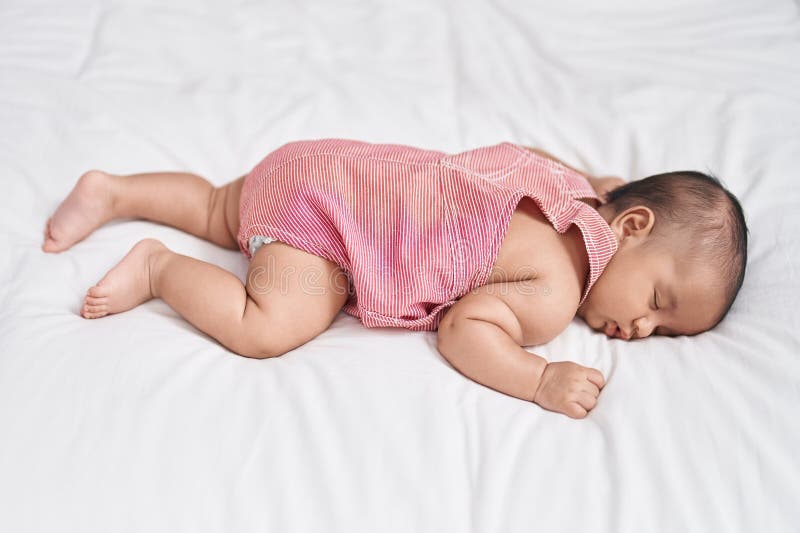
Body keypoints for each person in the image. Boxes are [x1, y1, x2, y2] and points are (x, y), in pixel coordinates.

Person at [41, 139, 748, 419]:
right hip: (333, 232)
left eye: (664, 330)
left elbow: (535, 154)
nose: (644, 328)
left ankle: (116, 189)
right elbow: (464, 330)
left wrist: (599, 183)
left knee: (216, 207)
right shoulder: (556, 288)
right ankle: (160, 268)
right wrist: (536, 378)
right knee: (269, 324)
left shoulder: (573, 185)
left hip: (326, 166)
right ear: (630, 226)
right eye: (658, 300)